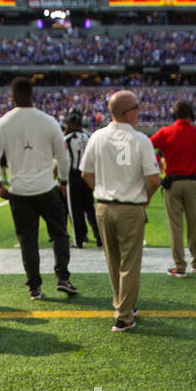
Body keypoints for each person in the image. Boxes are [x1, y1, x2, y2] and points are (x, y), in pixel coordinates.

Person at [0, 77, 76, 301]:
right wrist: (63, 182)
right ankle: (63, 278)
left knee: (28, 240)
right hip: (46, 187)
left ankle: (34, 287)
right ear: (32, 94)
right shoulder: (48, 121)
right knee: (60, 235)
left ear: (12, 96)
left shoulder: (3, 123)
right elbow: (63, 157)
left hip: (19, 190)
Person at [80, 90, 161, 332]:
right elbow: (155, 179)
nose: (139, 111)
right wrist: (144, 199)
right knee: (130, 263)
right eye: (136, 106)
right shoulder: (140, 140)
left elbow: (85, 174)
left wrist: (102, 191)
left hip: (104, 206)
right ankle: (124, 315)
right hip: (130, 207)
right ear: (127, 112)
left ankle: (122, 305)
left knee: (113, 261)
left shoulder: (96, 137)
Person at [149, 100, 196, 276]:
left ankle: (179, 266)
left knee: (175, 226)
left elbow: (147, 146)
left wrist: (158, 163)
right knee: (194, 224)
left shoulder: (166, 132)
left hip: (172, 183)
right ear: (191, 114)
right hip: (192, 183)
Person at [62, 112, 100, 248]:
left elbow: (62, 158)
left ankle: (79, 239)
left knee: (75, 209)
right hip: (89, 172)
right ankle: (99, 235)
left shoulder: (67, 138)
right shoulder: (88, 136)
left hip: (74, 174)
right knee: (90, 206)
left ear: (73, 124)